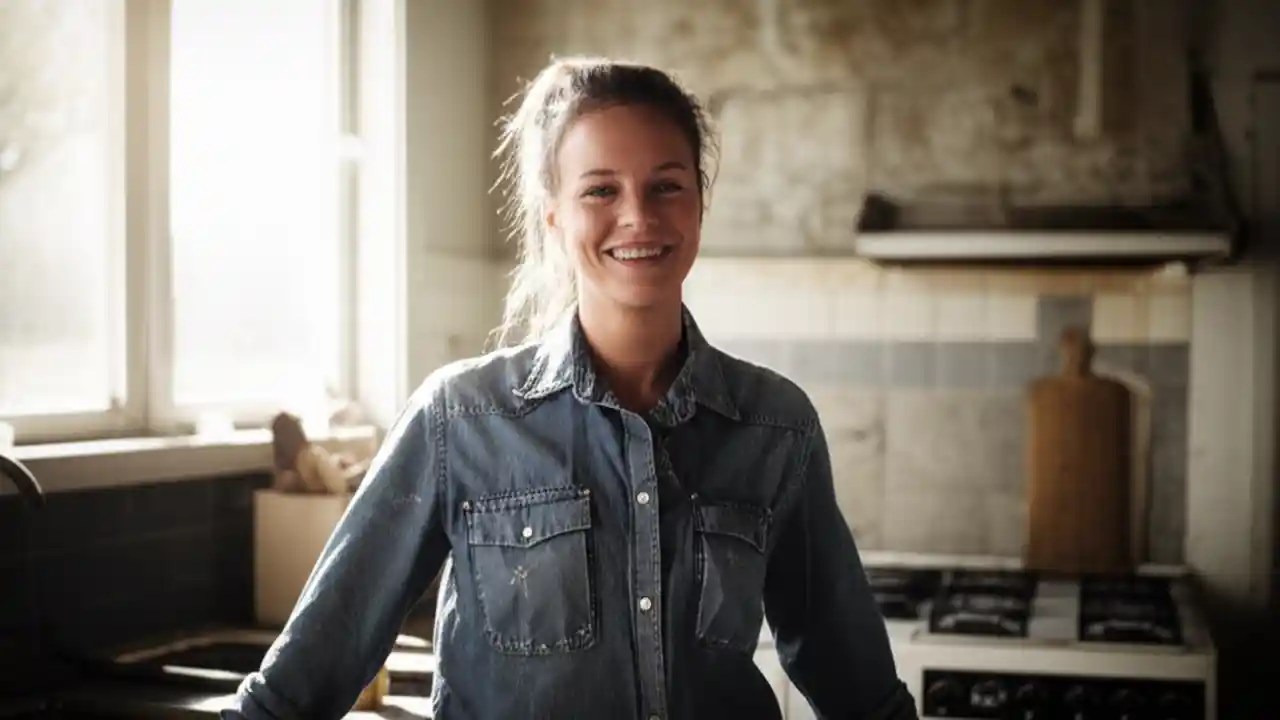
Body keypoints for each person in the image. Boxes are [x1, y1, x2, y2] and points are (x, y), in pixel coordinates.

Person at [224, 57, 916, 720]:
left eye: (667, 184)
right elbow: (309, 673)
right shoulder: (459, 419)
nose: (638, 215)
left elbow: (852, 681)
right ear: (552, 212)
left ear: (701, 204)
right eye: (600, 189)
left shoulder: (775, 427)